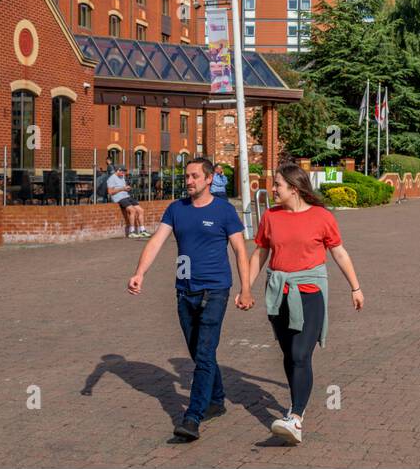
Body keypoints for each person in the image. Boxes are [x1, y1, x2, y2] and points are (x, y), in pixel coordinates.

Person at [128, 158, 253, 441]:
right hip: (184, 292)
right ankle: (216, 399)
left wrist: (245, 289)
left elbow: (239, 251)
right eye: (187, 176)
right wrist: (139, 273)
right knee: (200, 352)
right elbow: (157, 241)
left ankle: (192, 417)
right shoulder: (176, 209)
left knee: (205, 355)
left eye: (195, 176)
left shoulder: (224, 210)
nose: (189, 181)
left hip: (215, 291)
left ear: (209, 179)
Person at [244, 163, 363, 446]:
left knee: (300, 353)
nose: (272, 189)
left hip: (310, 293)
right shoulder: (271, 217)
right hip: (279, 293)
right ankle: (297, 402)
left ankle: (295, 417)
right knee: (289, 354)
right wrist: (245, 289)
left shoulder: (321, 217)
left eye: (277, 185)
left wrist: (355, 287)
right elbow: (260, 254)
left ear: (294, 189)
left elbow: (339, 253)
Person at [108, 168, 149, 238]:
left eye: (124, 172)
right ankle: (131, 232)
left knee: (141, 210)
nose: (123, 173)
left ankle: (142, 230)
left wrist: (126, 188)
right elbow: (110, 192)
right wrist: (122, 189)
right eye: (122, 172)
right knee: (132, 210)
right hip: (119, 198)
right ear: (118, 170)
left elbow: (123, 187)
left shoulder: (122, 177)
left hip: (126, 196)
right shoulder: (111, 179)